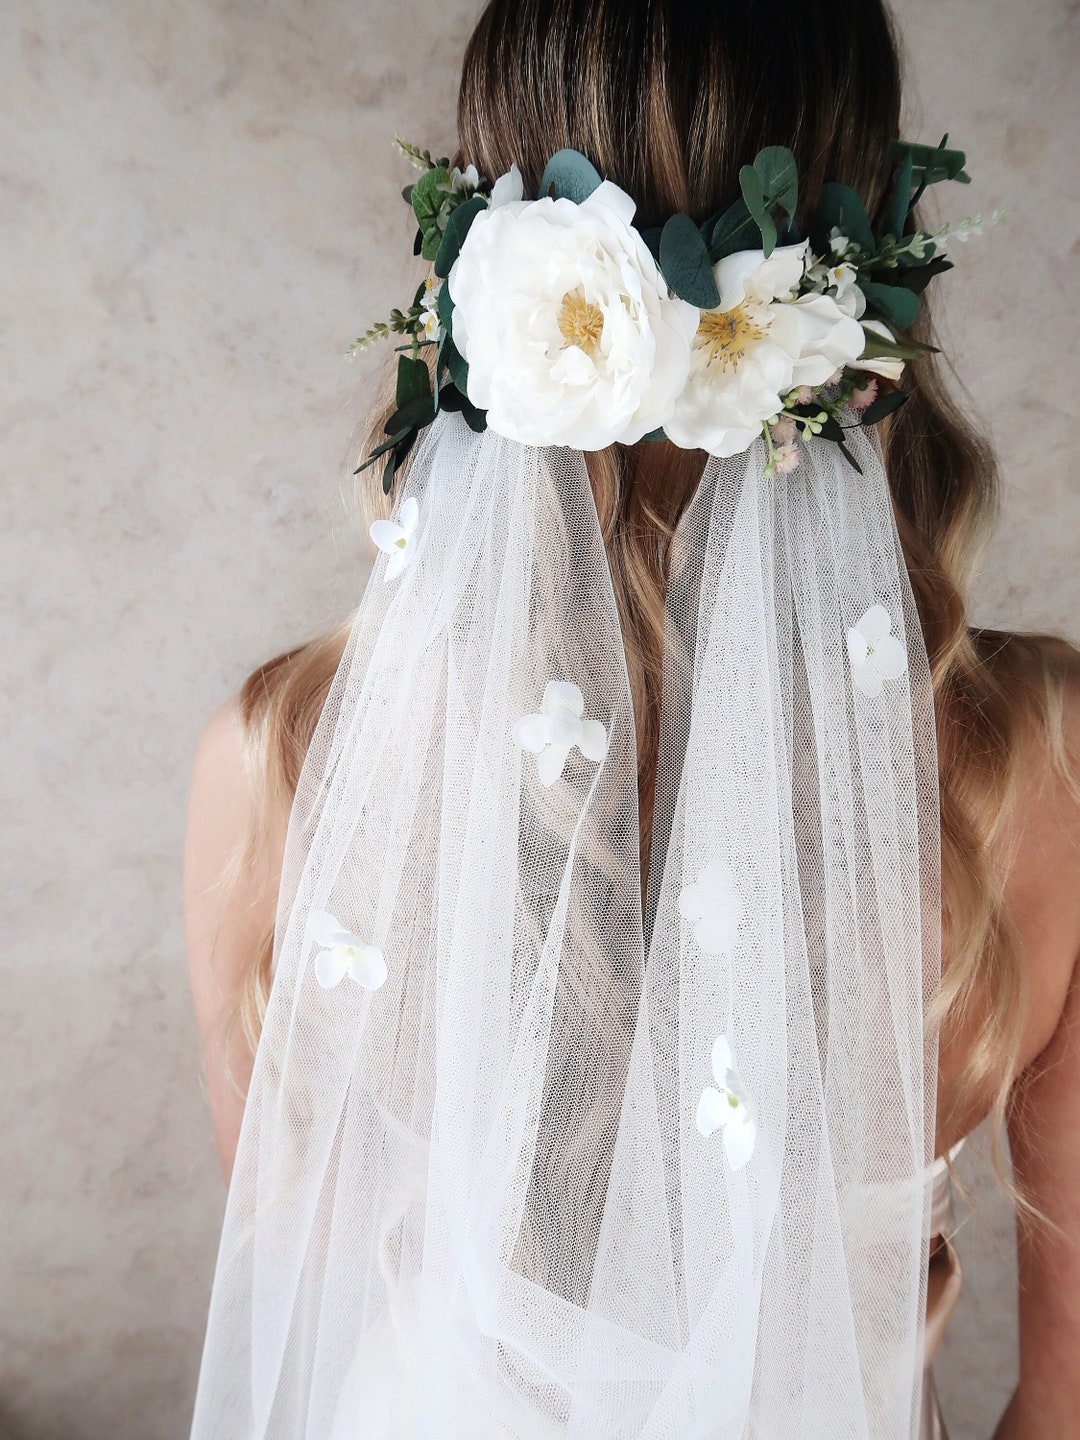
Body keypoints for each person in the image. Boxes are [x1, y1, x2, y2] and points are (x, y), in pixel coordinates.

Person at [184, 2, 1080, 1437]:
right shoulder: (1041, 770)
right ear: (869, 271)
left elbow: (302, 1305)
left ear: (476, 267)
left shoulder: (281, 768)